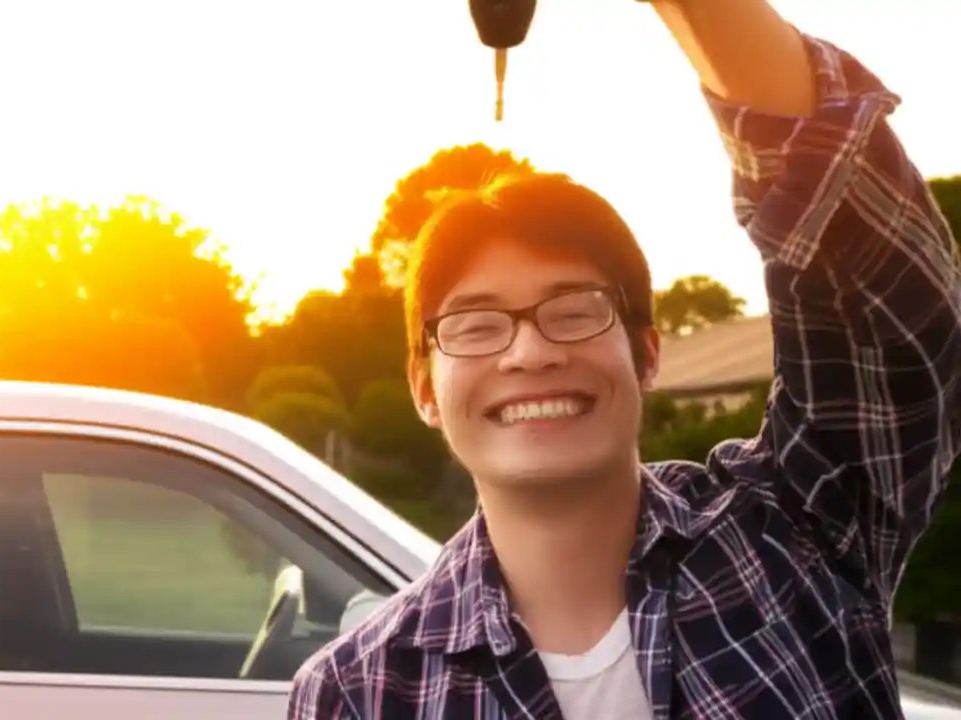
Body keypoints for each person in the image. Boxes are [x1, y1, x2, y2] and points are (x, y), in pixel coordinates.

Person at [287, 0, 961, 718]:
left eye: (575, 310)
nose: (532, 351)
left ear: (646, 354)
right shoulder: (360, 691)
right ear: (424, 387)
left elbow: (882, 280)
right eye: (477, 325)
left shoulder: (796, 530)